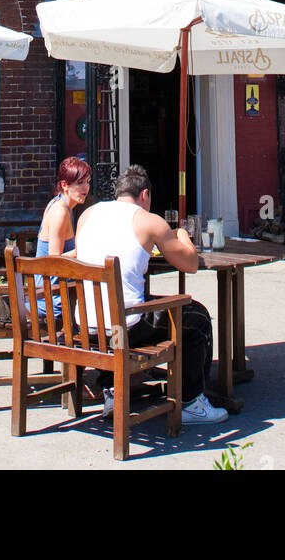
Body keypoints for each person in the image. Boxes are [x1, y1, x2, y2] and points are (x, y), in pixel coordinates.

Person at [74, 164, 228, 426]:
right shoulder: (149, 221)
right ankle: (191, 401)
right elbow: (189, 264)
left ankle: (112, 388)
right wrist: (182, 235)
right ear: (144, 195)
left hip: (84, 323)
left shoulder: (87, 215)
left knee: (137, 301)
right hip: (123, 327)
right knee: (196, 315)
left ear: (119, 192)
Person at [35, 156, 91, 319]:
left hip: (58, 293)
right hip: (53, 301)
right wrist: (83, 250)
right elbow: (54, 261)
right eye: (80, 183)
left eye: (87, 181)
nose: (85, 187)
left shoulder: (61, 204)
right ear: (64, 185)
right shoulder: (60, 212)